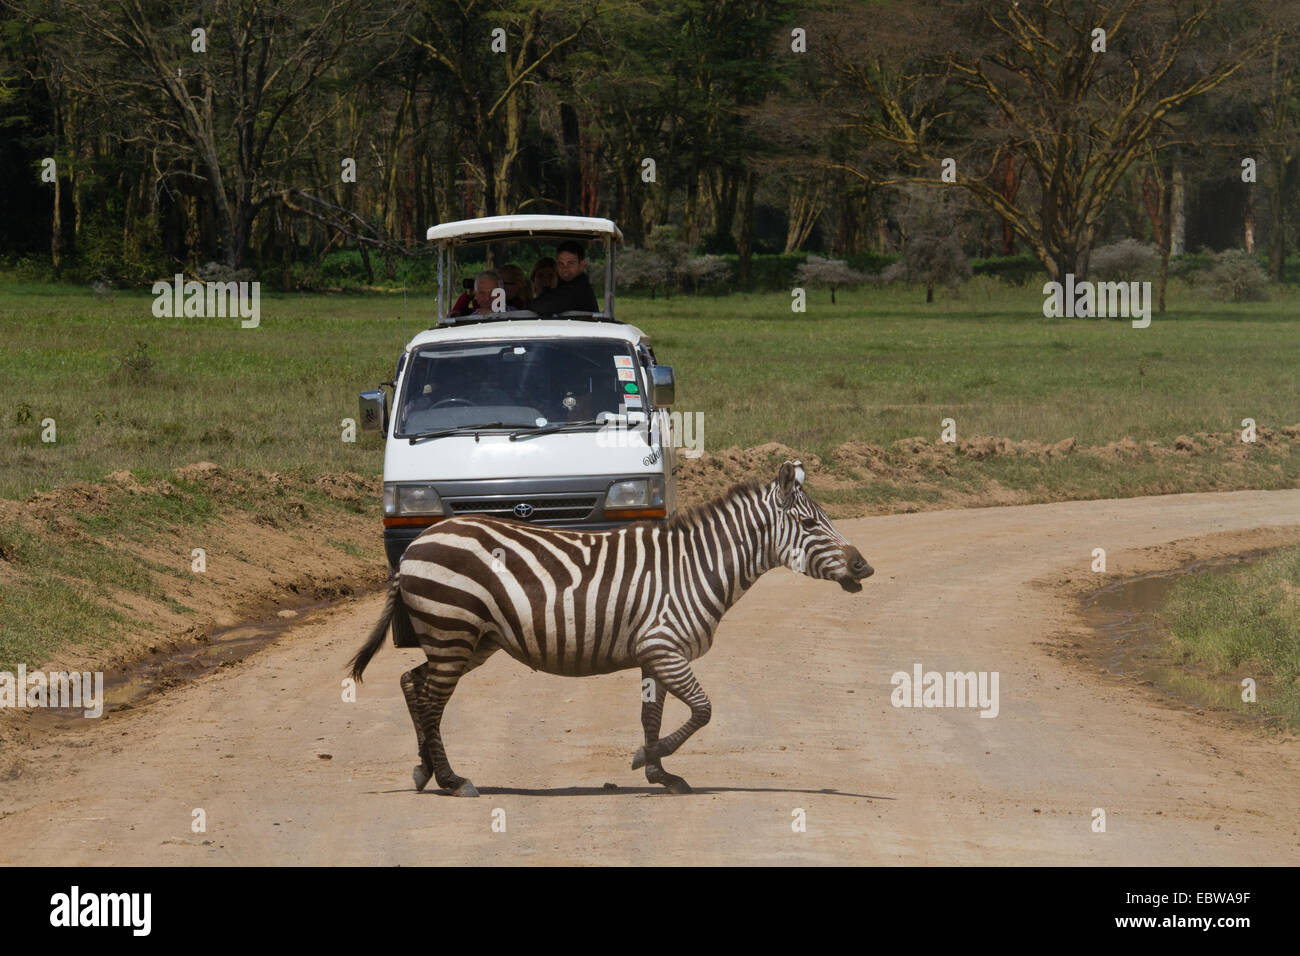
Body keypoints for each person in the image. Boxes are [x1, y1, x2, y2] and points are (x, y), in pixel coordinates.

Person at [527, 241, 599, 314]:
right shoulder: (567, 286)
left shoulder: (577, 288)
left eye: (570, 263)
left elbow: (540, 307)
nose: (565, 269)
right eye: (561, 263)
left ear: (581, 265)